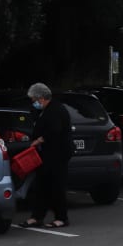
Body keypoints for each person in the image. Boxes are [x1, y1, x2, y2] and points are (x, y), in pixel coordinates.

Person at [18, 83, 73, 228]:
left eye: (33, 99)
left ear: (41, 98)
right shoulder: (45, 110)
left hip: (57, 154)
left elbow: (54, 130)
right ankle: (37, 216)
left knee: (56, 186)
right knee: (41, 186)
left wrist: (38, 140)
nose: (33, 103)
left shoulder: (56, 110)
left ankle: (61, 217)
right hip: (46, 154)